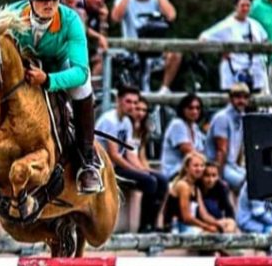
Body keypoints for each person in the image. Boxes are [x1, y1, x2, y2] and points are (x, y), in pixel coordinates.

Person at [9, 0, 102, 194]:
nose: (49, 4)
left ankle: (87, 161)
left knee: (83, 87)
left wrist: (48, 80)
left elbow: (81, 71)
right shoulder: (11, 15)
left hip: (57, 70)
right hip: (22, 72)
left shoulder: (71, 21)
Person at [95, 85, 167, 233]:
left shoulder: (127, 122)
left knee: (162, 180)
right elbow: (114, 155)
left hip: (118, 164)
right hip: (106, 167)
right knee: (149, 182)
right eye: (128, 101)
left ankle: (152, 225)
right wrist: (137, 171)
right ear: (119, 100)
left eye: (135, 102)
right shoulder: (110, 120)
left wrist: (143, 169)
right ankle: (143, 227)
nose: (132, 106)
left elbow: (129, 152)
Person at [110, 0, 181, 92]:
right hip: (131, 52)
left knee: (176, 52)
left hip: (155, 52)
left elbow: (171, 16)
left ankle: (164, 89)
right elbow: (116, 17)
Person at [200, 0, 269, 94]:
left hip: (254, 74)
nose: (245, 9)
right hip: (233, 72)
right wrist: (220, 51)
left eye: (248, 5)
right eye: (242, 6)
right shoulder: (226, 25)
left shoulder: (255, 25)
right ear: (236, 6)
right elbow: (204, 38)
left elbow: (265, 40)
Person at [163, 152, 234, 234]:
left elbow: (204, 215)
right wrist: (207, 227)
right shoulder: (183, 186)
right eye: (195, 166)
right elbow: (186, 218)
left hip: (190, 226)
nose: (199, 169)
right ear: (187, 167)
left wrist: (218, 224)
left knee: (229, 223)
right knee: (211, 233)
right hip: (178, 227)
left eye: (201, 166)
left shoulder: (196, 188)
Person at [205, 82, 249, 192]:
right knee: (245, 183)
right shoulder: (222, 118)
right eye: (238, 97)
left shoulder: (242, 117)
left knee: (259, 179)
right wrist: (217, 178)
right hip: (218, 165)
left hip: (232, 165)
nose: (241, 101)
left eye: (245, 97)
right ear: (231, 98)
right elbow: (221, 151)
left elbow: (239, 149)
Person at [160, 93, 207, 180]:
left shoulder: (194, 126)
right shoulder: (177, 124)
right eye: (190, 108)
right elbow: (189, 153)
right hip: (175, 171)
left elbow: (201, 151)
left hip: (193, 169)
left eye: (197, 108)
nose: (194, 111)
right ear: (183, 109)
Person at [82, 0, 110, 76]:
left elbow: (103, 41)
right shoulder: (79, 7)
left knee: (101, 57)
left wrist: (103, 21)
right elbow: (82, 28)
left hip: (90, 52)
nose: (99, 0)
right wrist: (99, 37)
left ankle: (95, 88)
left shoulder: (99, 12)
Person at [200, 161, 237, 228]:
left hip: (217, 221)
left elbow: (229, 210)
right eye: (207, 175)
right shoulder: (196, 188)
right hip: (201, 223)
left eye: (214, 175)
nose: (210, 180)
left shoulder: (221, 187)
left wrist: (230, 223)